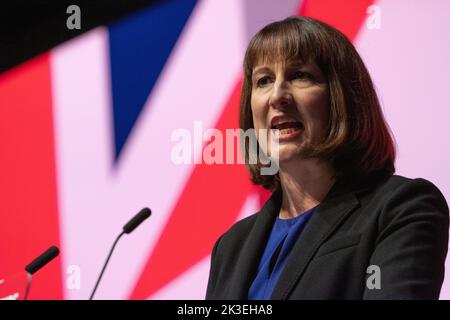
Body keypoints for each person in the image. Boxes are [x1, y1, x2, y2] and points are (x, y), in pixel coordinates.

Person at [205, 16, 449, 300]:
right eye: (264, 80)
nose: (277, 96)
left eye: (300, 76)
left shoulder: (401, 208)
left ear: (342, 97)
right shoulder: (231, 246)